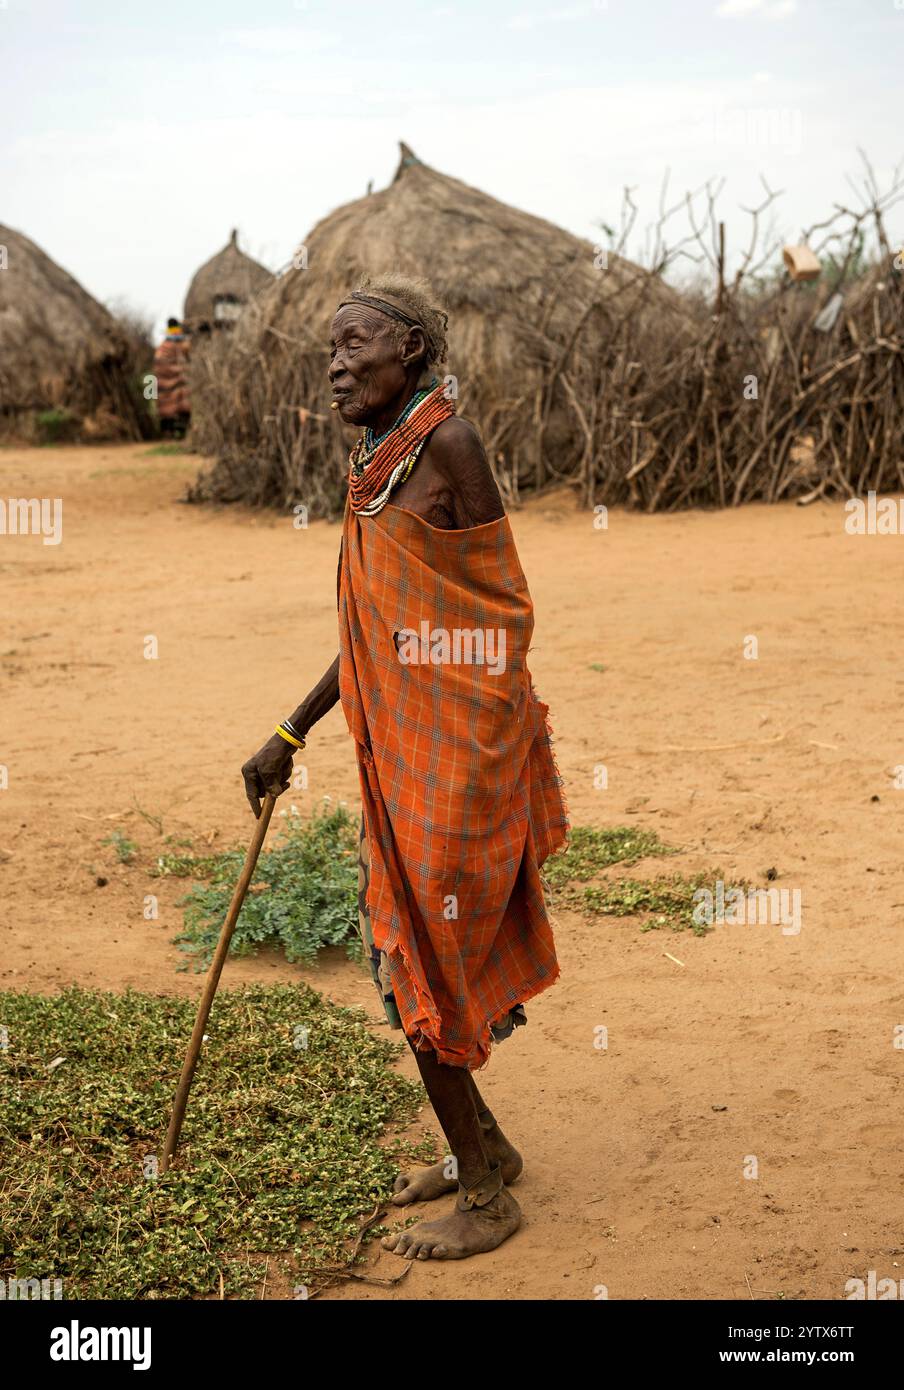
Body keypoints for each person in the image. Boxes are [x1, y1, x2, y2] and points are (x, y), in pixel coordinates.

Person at [241, 273, 568, 1261]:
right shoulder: (378, 461)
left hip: (457, 755)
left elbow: (499, 609)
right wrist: (290, 733)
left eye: (358, 344)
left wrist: (448, 713)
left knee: (413, 955)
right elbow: (376, 632)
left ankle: (489, 1200)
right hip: (402, 753)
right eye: (329, 351)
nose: (338, 364)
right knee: (406, 951)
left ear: (413, 350)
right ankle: (486, 1154)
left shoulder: (448, 448)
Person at [153, 317, 191, 437]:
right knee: (180, 404)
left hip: (163, 382)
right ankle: (178, 432)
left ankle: (170, 432)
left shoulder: (163, 345)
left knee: (167, 407)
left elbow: (158, 362)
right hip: (174, 380)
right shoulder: (179, 342)